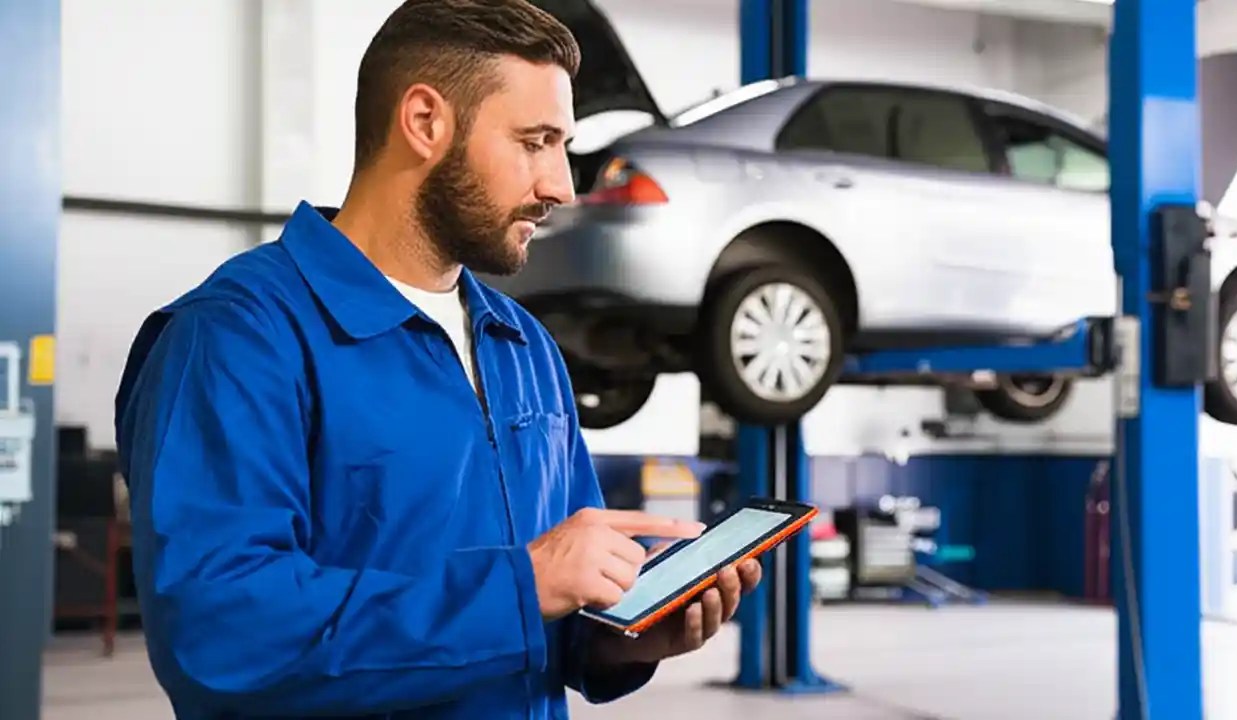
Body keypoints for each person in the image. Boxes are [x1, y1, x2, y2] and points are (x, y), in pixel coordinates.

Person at [112, 1, 762, 718]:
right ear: (425, 123)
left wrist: (617, 638)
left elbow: (551, 609)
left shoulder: (523, 346)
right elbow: (222, 637)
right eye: (535, 141)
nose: (561, 187)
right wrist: (522, 587)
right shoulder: (238, 338)